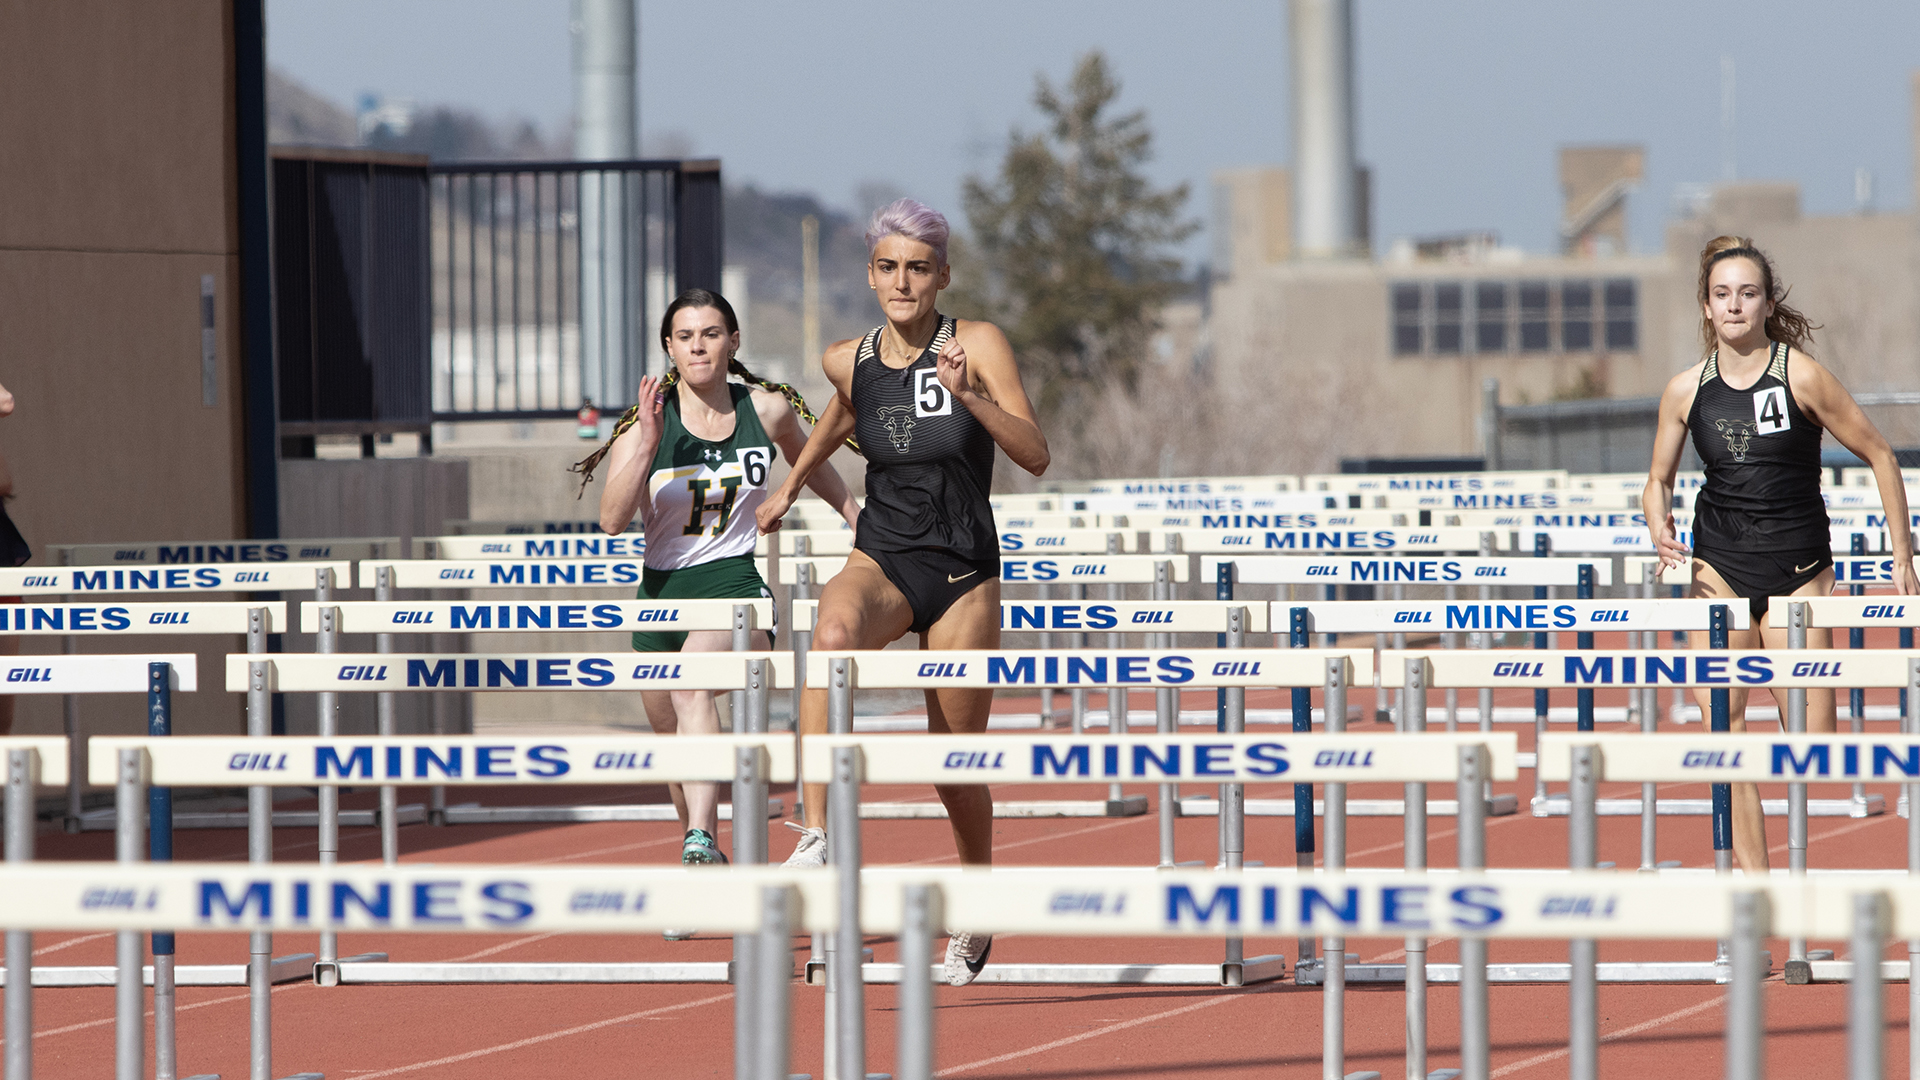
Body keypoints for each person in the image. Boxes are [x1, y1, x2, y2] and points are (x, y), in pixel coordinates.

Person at [756, 199, 1050, 985]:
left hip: (962, 570)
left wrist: (970, 398)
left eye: (918, 269)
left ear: (943, 275)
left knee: (952, 763)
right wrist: (790, 486)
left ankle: (977, 897)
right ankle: (817, 831)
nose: (903, 282)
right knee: (831, 635)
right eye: (888, 267)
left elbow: (1036, 453)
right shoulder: (845, 357)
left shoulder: (978, 344)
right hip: (884, 553)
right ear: (870, 274)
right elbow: (845, 411)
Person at [1645, 235, 1917, 873]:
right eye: (1722, 295)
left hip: (1797, 569)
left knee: (1812, 742)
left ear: (1768, 303)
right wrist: (1658, 523)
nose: (1734, 305)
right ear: (1707, 307)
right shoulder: (1685, 390)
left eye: (1748, 293)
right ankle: (1759, 888)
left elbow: (1880, 453)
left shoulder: (1801, 375)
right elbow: (1657, 478)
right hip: (1718, 566)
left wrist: (1902, 553)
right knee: (1724, 730)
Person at [579, 289, 859, 889]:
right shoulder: (645, 425)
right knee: (677, 750)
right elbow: (610, 520)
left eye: (710, 334)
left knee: (692, 683)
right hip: (660, 600)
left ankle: (704, 834)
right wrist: (648, 444)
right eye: (685, 336)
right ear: (669, 348)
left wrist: (854, 515)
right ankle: (699, 863)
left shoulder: (767, 410)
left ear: (733, 342)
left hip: (735, 588)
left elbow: (811, 459)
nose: (698, 346)